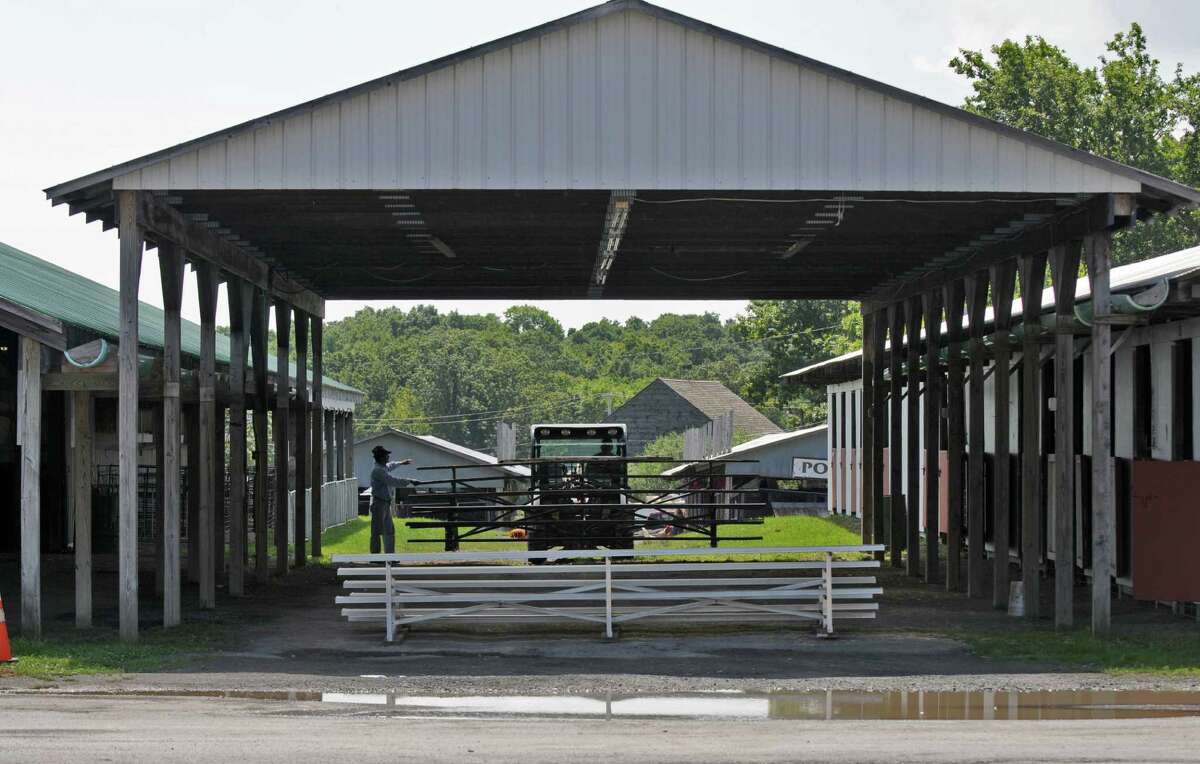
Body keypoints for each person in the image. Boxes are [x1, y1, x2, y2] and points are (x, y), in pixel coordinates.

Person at [369, 445, 412, 554]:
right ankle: (375, 558)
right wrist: (409, 481)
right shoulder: (378, 471)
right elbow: (392, 481)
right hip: (379, 503)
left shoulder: (383, 467)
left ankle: (390, 557)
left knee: (389, 531)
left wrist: (402, 463)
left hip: (385, 503)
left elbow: (391, 465)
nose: (388, 457)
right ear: (381, 457)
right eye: (386, 455)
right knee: (376, 532)